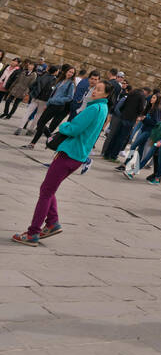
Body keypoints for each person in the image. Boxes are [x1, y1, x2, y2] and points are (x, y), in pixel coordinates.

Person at [12, 79, 109, 244]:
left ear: (107, 94)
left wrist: (63, 127)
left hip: (69, 153)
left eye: (99, 90)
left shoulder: (94, 108)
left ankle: (33, 232)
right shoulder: (103, 108)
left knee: (46, 192)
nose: (94, 91)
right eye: (95, 88)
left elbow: (74, 128)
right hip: (77, 155)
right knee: (48, 189)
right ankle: (52, 223)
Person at [28, 66, 76, 147]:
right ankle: (47, 139)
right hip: (51, 104)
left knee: (41, 123)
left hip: (58, 106)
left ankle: (38, 142)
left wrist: (57, 100)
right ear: (66, 72)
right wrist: (48, 103)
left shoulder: (71, 84)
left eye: (72, 72)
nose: (70, 73)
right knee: (41, 123)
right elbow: (53, 93)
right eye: (69, 71)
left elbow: (70, 97)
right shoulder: (60, 80)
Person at [16, 64, 58, 135]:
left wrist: (34, 93)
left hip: (36, 97)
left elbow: (32, 85)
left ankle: (19, 128)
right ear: (55, 72)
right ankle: (30, 130)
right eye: (57, 71)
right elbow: (52, 90)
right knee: (38, 115)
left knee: (28, 112)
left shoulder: (42, 76)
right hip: (44, 100)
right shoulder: (54, 79)